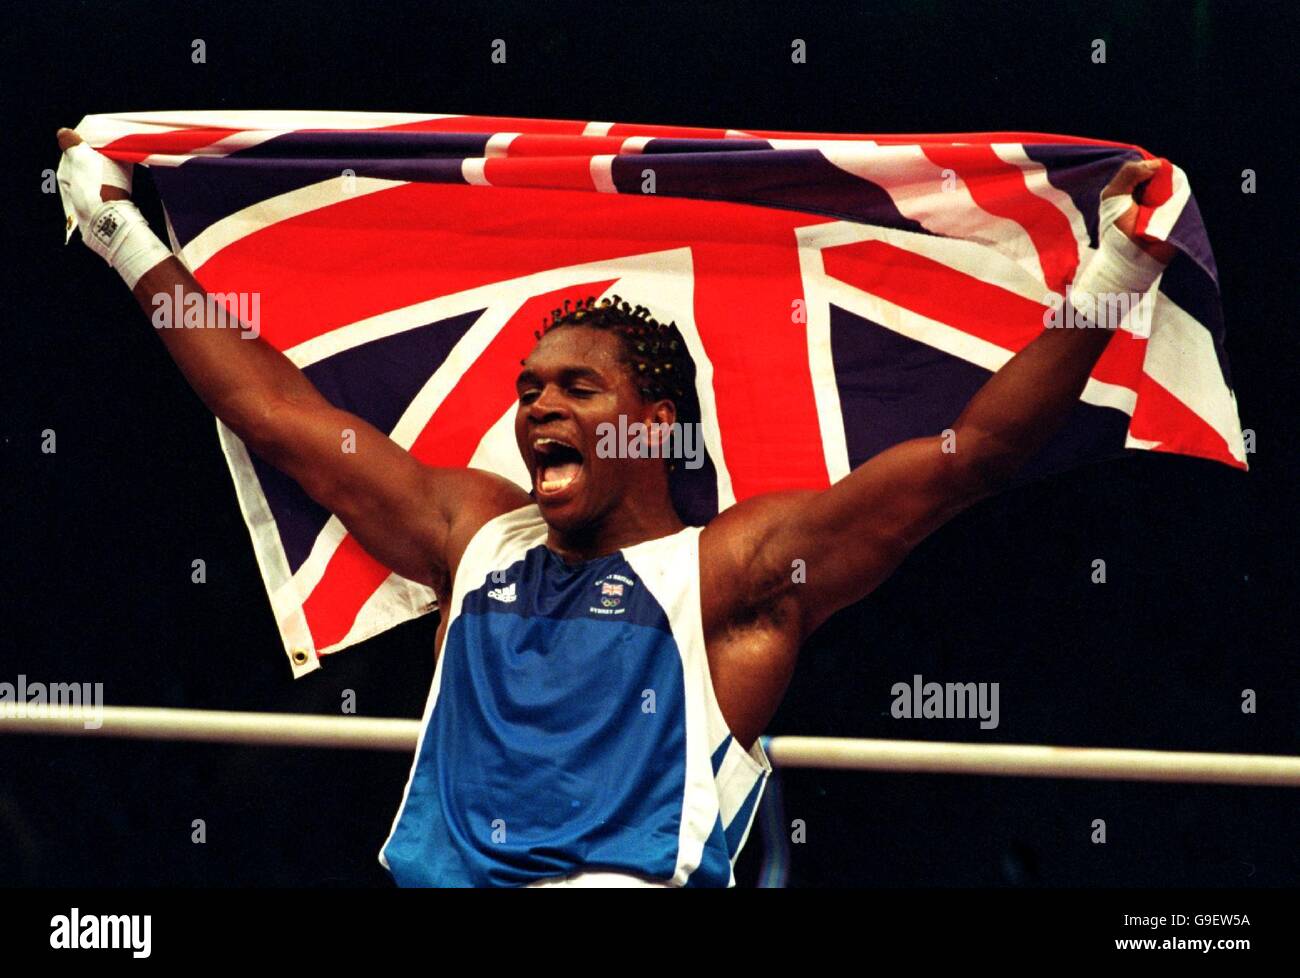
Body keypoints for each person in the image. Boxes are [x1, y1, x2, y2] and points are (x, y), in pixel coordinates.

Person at [56, 127, 1175, 887]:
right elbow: (274, 413)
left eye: (575, 389)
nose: (536, 408)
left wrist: (1115, 269)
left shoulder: (732, 572)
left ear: (654, 426)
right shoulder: (476, 535)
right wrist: (121, 233)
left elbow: (969, 454)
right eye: (527, 391)